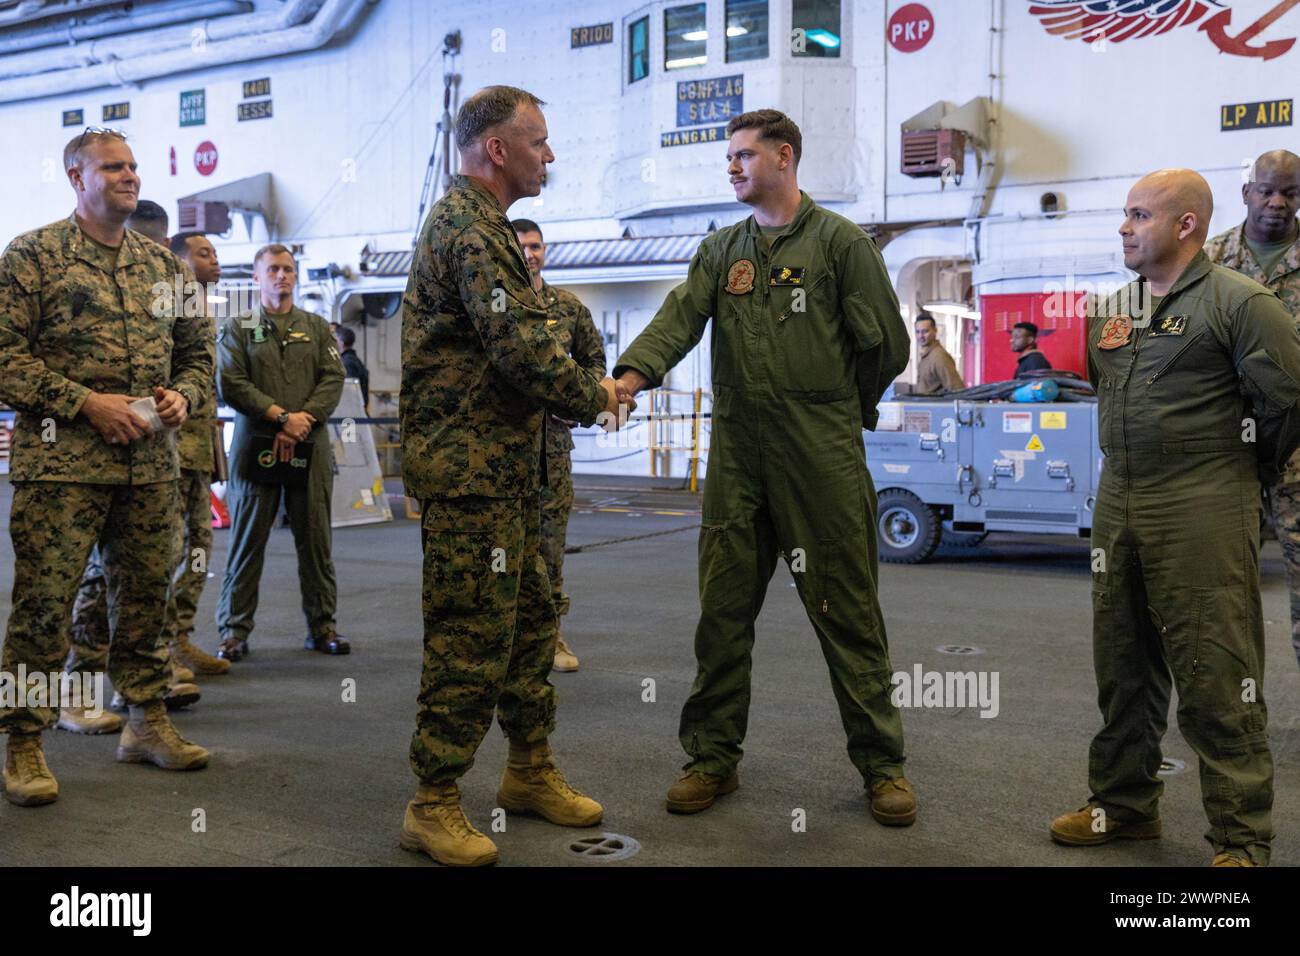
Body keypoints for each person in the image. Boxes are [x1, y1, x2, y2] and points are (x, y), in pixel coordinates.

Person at [613, 109, 915, 825]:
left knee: (848, 616)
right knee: (721, 616)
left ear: (785, 157)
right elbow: (678, 319)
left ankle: (883, 767)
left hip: (822, 457)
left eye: (746, 155)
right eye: (730, 157)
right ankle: (712, 759)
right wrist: (629, 377)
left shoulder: (841, 244)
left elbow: (888, 346)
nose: (733, 166)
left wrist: (840, 410)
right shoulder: (723, 252)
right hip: (739, 460)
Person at [399, 85, 628, 867]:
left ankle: (528, 771)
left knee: (531, 621)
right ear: (496, 149)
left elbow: (525, 347)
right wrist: (597, 393)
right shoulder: (470, 227)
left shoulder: (487, 226)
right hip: (472, 480)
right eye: (539, 141)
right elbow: (525, 351)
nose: (549, 155)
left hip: (510, 474)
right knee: (470, 636)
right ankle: (431, 802)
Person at [1050, 168, 1300, 867]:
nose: (1125, 227)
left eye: (1139, 215)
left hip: (1202, 501)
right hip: (1120, 494)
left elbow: (1287, 401)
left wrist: (1241, 468)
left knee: (1216, 670)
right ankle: (1125, 806)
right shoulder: (1111, 308)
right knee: (1122, 663)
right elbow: (1109, 393)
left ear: (1185, 224)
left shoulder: (1241, 303)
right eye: (1125, 215)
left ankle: (1241, 838)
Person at [0, 128, 214, 805]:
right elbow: (4, 360)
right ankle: (23, 742)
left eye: (133, 166)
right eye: (112, 167)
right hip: (61, 471)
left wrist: (186, 395)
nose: (129, 176)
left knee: (147, 600)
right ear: (75, 177)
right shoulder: (31, 256)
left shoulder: (164, 267)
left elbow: (198, 356)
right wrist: (86, 403)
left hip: (150, 468)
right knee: (42, 609)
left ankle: (145, 722)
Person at [215, 244, 347, 660]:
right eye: (272, 269)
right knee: (246, 542)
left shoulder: (317, 327)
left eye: (288, 269)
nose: (281, 276)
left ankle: (323, 626)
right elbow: (230, 382)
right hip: (256, 447)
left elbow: (332, 377)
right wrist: (279, 417)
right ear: (256, 277)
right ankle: (234, 631)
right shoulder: (239, 328)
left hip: (310, 445)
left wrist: (302, 418)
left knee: (316, 542)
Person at [1205, 149, 1300, 669]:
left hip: (1298, 452)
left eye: (1290, 191)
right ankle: (1234, 715)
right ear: (1246, 193)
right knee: (1223, 593)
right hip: (1226, 454)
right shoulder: (1207, 261)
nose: (1277, 202)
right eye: (1267, 190)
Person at [512, 217, 607, 672]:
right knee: (504, 551)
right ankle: (503, 640)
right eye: (521, 246)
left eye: (536, 246)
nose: (530, 253)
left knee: (549, 551)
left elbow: (594, 365)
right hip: (500, 453)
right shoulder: (496, 306)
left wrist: (580, 404)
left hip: (552, 454)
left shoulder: (567, 308)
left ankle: (551, 638)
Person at [913, 313, 964, 394]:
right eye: (917, 332)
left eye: (925, 331)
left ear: (935, 331)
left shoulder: (940, 357)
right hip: (925, 406)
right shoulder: (926, 356)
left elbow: (957, 389)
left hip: (934, 406)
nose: (920, 336)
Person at [335, 325, 370, 408]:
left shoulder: (347, 363)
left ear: (341, 343)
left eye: (336, 340)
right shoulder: (355, 360)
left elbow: (349, 392)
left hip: (351, 412)